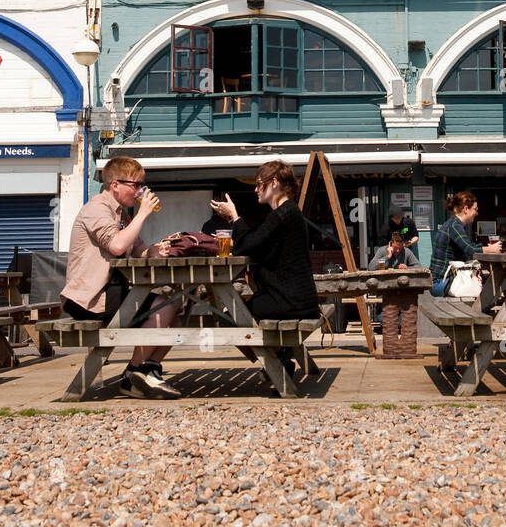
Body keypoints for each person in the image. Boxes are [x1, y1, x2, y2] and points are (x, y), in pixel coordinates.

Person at [61, 156, 182, 399]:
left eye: (141, 185)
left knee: (177, 310)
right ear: (115, 184)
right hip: (90, 298)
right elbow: (116, 246)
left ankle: (147, 369)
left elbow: (138, 249)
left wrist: (154, 251)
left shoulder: (121, 215)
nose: (140, 191)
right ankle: (134, 374)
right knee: (166, 304)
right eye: (136, 185)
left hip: (112, 292)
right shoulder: (97, 209)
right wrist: (143, 214)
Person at [210, 160, 319, 326]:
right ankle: (277, 353)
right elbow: (255, 243)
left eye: (259, 184)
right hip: (298, 300)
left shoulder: (282, 214)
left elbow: (249, 246)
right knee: (235, 316)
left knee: (227, 321)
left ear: (274, 182)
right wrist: (235, 232)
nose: (256, 190)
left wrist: (234, 215)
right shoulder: (288, 212)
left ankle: (272, 353)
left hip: (288, 302)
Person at [430, 191, 482, 297]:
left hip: (442, 280)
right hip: (441, 282)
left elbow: (467, 248)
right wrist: (491, 249)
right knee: (481, 288)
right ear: (466, 209)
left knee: (480, 283)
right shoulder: (454, 226)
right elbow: (470, 250)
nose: (477, 213)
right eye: (475, 209)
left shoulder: (454, 224)